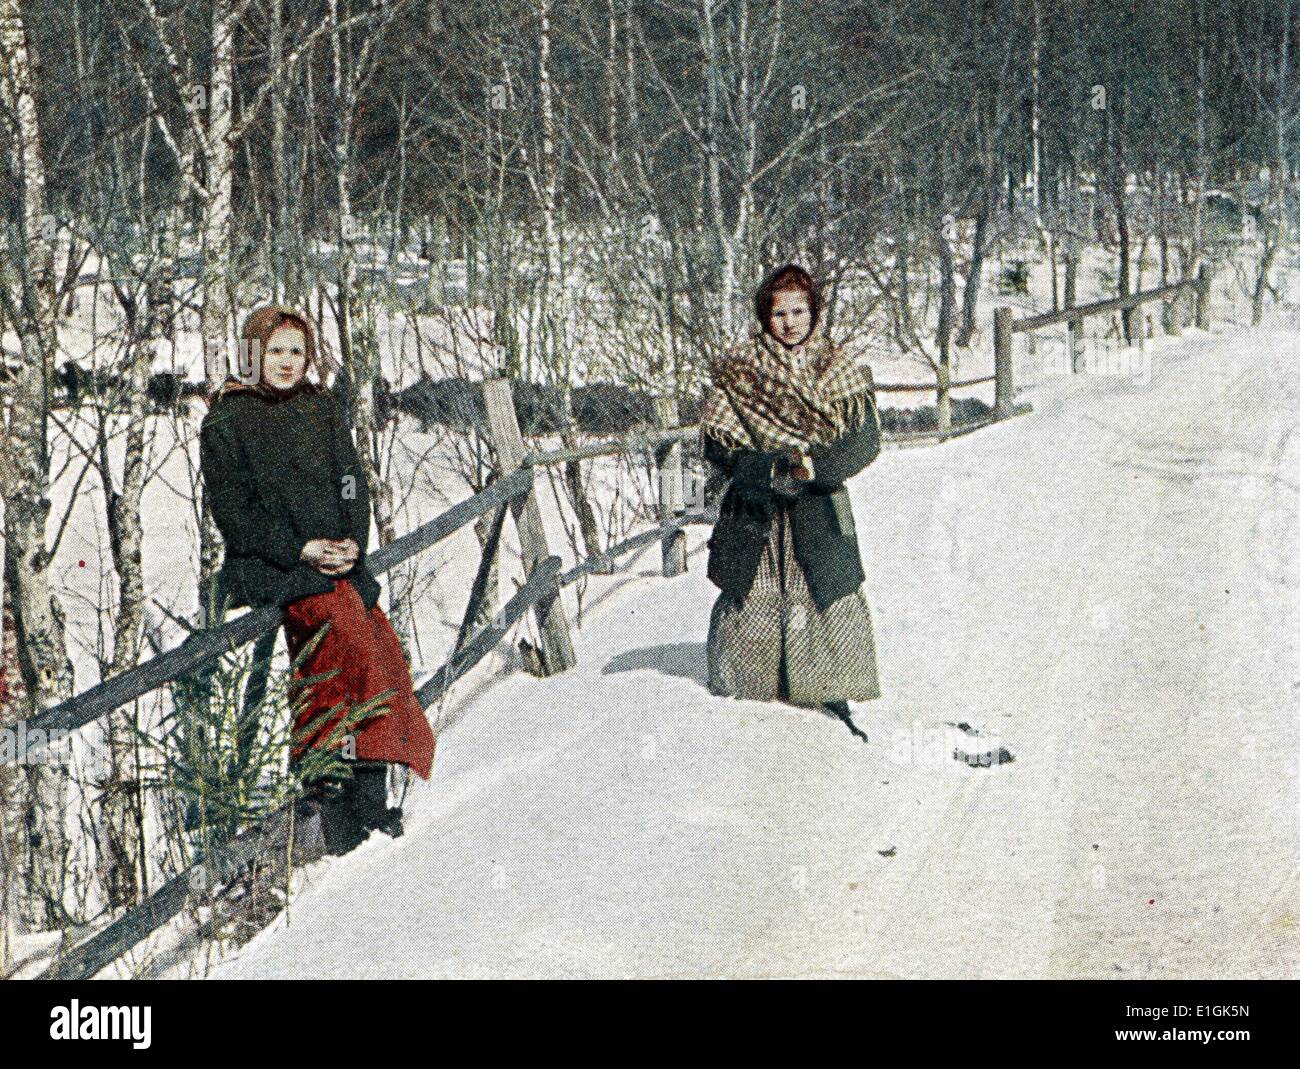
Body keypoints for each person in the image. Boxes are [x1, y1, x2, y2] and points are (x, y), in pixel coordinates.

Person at [199, 305, 435, 854]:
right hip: (274, 567)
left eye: (297, 352)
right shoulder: (227, 421)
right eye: (275, 351)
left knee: (376, 647)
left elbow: (351, 482)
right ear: (254, 353)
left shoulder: (321, 410)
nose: (286, 363)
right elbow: (235, 514)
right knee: (350, 647)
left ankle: (362, 798)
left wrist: (352, 543)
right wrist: (301, 548)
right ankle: (343, 804)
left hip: (337, 564)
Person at [699, 264, 882, 741]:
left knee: (825, 588)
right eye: (779, 313)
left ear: (814, 312)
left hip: (817, 504)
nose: (790, 323)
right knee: (751, 591)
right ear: (764, 316)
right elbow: (718, 444)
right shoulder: (737, 371)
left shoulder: (838, 368)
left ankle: (828, 682)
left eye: (799, 311)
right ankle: (752, 684)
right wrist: (767, 469)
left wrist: (814, 469)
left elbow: (864, 441)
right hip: (757, 505)